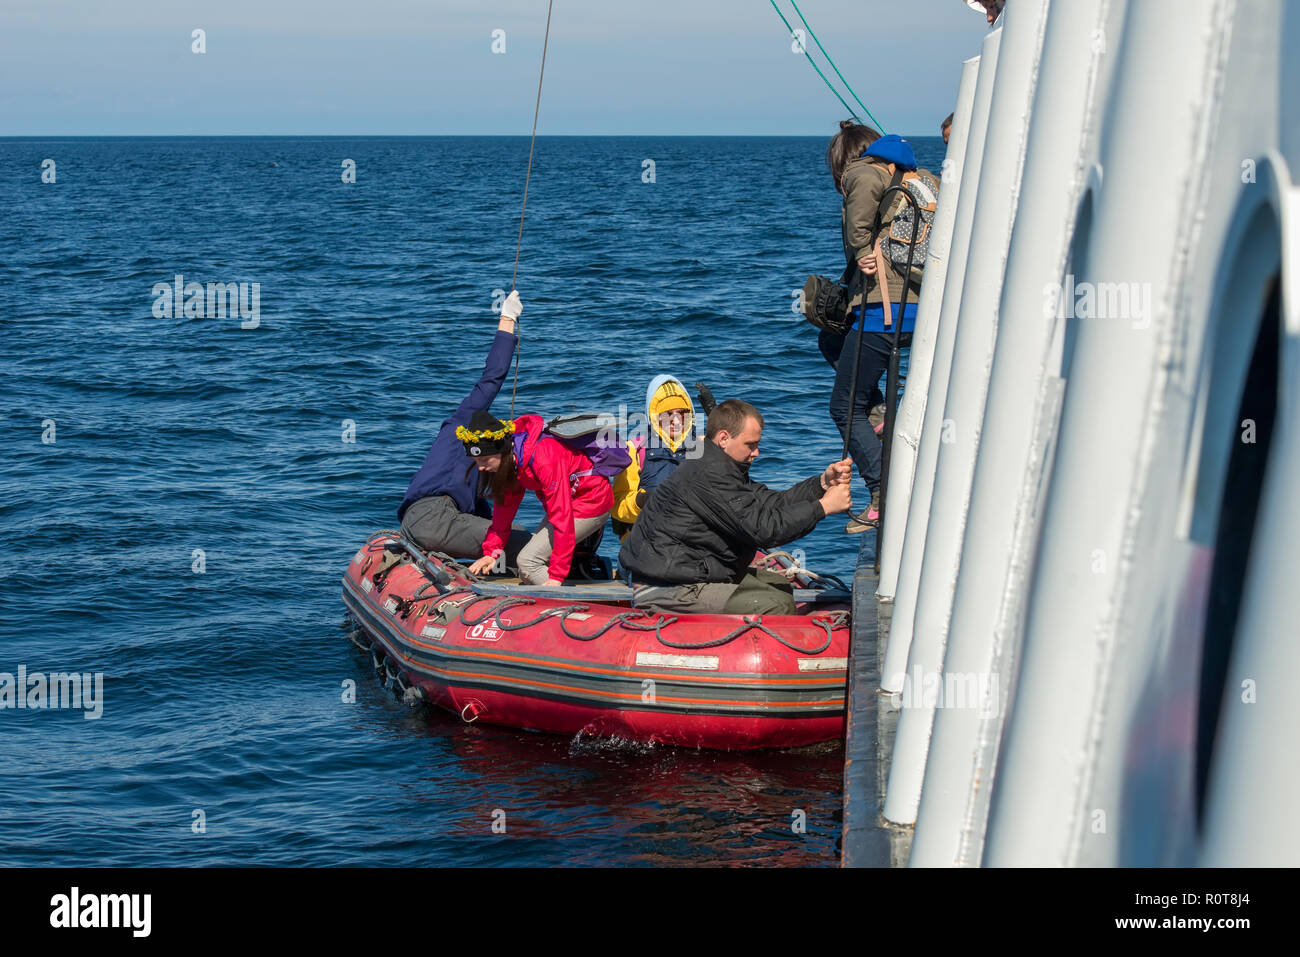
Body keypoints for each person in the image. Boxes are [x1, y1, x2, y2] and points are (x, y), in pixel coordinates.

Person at [619, 399, 853, 616]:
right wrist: (823, 507)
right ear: (723, 438)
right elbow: (764, 530)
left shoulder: (720, 466)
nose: (757, 452)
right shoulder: (709, 473)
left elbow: (770, 502)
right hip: (668, 587)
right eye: (751, 445)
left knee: (780, 585)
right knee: (775, 604)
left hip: (693, 572)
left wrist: (821, 484)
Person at [824, 123, 923, 533]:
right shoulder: (915, 183)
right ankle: (880, 410)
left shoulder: (865, 181)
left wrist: (861, 251)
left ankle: (883, 492)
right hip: (919, 308)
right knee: (830, 338)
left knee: (843, 407)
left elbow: (860, 243)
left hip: (884, 311)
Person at [398, 292, 531, 564]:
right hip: (434, 518)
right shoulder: (466, 422)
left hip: (419, 521)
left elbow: (481, 514)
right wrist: (507, 319)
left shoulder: (472, 457)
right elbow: (492, 378)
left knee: (509, 536)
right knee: (530, 543)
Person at [463, 410, 613, 586]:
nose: (480, 468)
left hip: (591, 502)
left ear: (502, 451)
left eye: (486, 460)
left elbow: (562, 515)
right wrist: (491, 552)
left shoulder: (544, 456)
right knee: (530, 562)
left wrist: (556, 576)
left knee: (528, 563)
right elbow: (504, 511)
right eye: (476, 461)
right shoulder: (513, 461)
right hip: (567, 504)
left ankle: (574, 604)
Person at [611, 374, 699, 539]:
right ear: (654, 416)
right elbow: (617, 507)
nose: (675, 420)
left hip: (694, 537)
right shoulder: (634, 451)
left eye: (681, 413)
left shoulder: (705, 446)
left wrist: (718, 418)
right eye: (666, 414)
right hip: (648, 541)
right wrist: (641, 501)